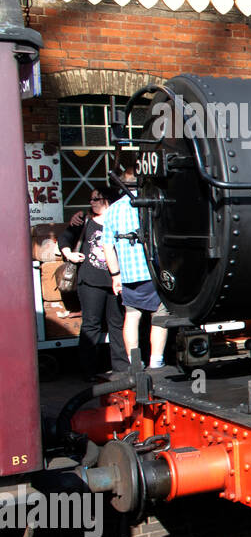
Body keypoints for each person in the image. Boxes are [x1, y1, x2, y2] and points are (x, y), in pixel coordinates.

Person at [100, 152, 169, 370]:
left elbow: (107, 244)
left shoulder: (113, 209)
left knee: (131, 317)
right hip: (152, 271)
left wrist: (115, 275)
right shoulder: (150, 203)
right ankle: (156, 361)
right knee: (159, 318)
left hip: (128, 274)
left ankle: (134, 362)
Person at [58, 187, 129, 380]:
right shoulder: (84, 219)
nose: (92, 202)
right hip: (90, 280)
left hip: (116, 280)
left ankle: (121, 368)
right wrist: (69, 254)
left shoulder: (119, 220)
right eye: (91, 199)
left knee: (117, 324)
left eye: (96, 199)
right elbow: (65, 238)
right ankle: (89, 371)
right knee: (91, 325)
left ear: (108, 200)